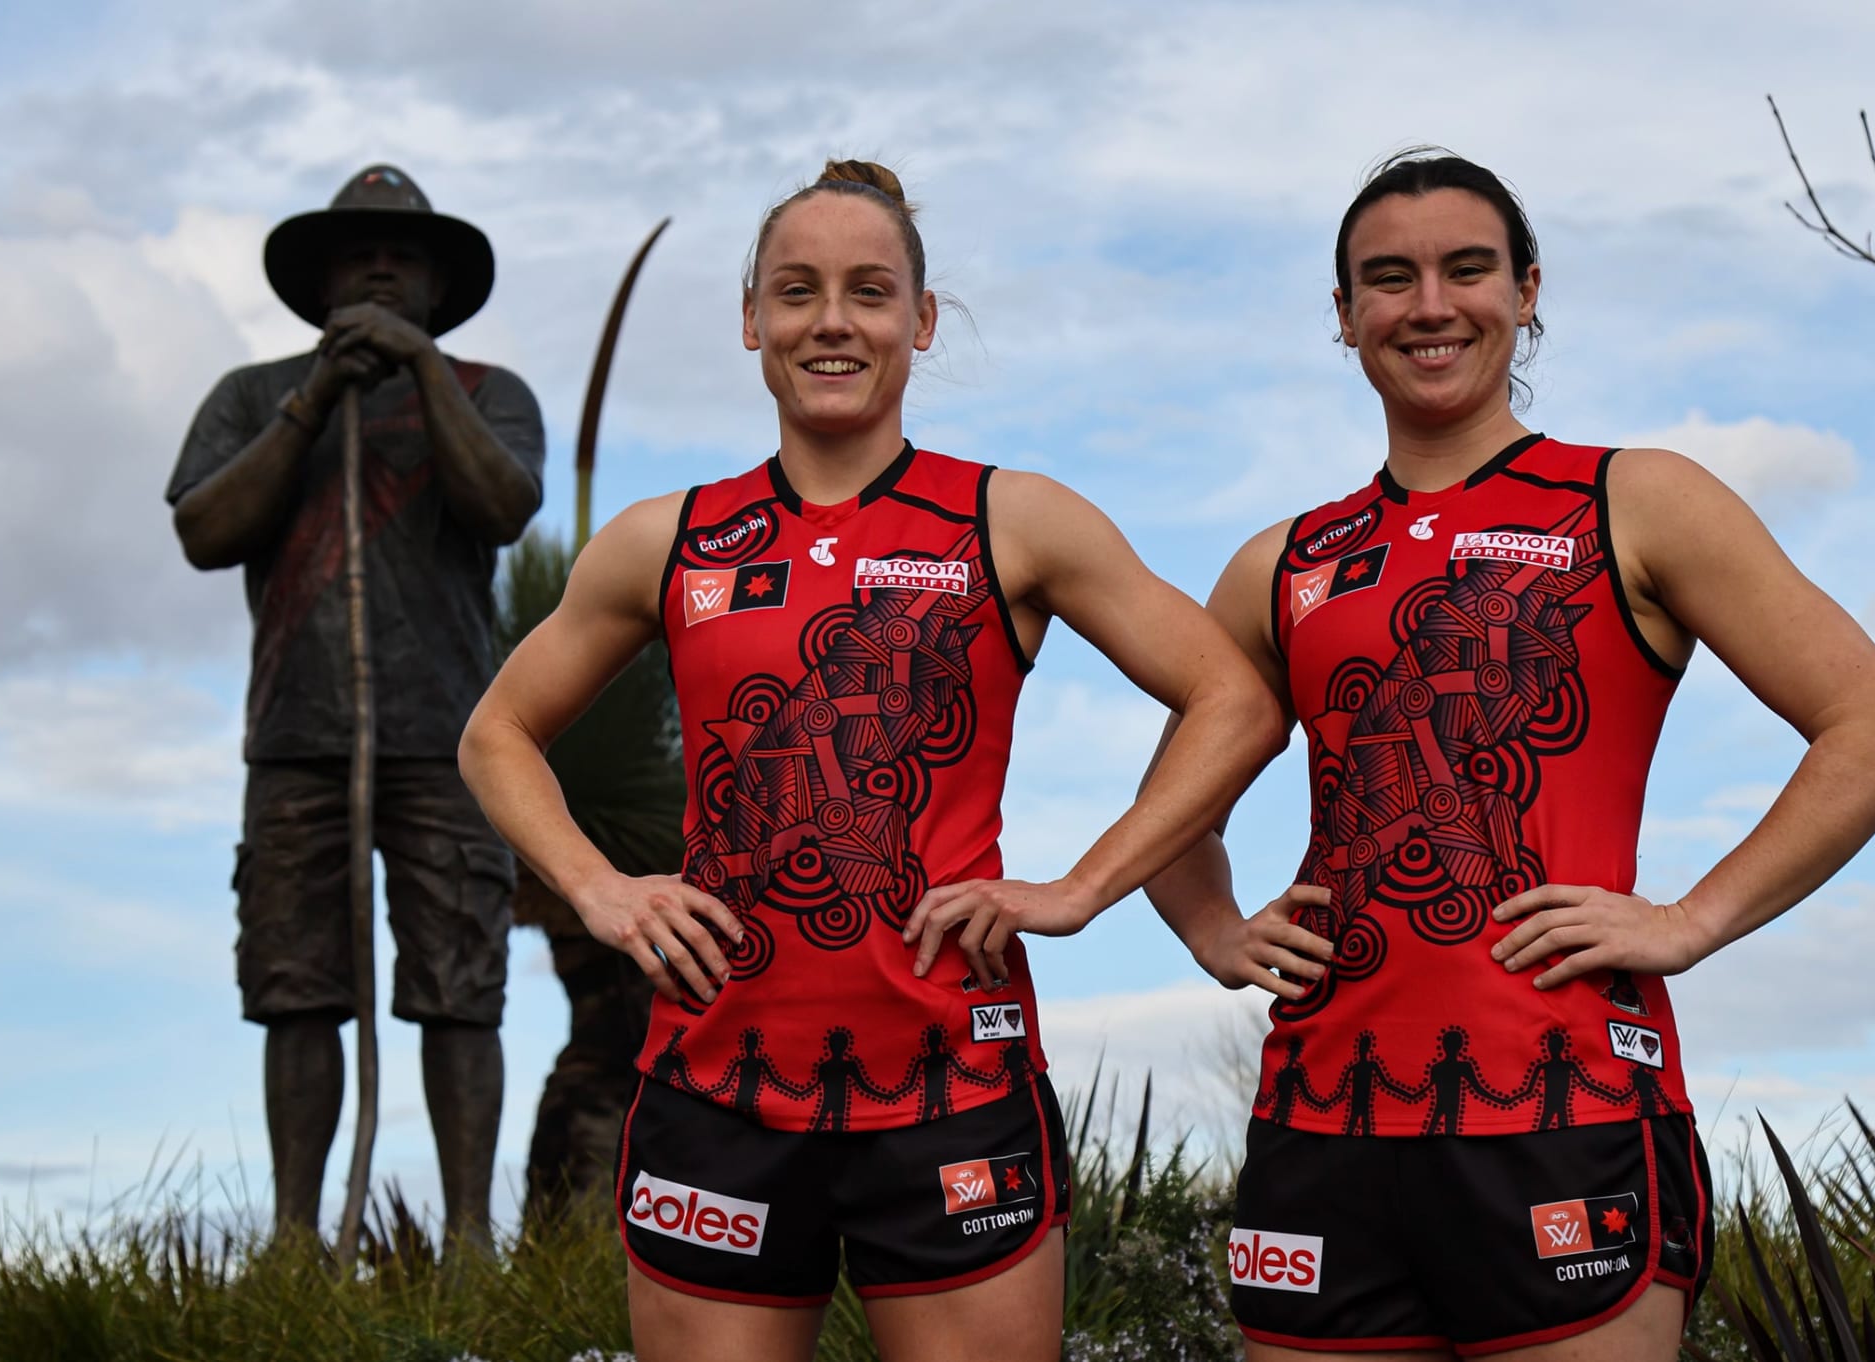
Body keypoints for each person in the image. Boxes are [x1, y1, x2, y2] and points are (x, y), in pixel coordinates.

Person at [457, 159, 1283, 1362]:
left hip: (952, 1085)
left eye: (868, 292)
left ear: (921, 320)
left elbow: (1233, 699)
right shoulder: (666, 540)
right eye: (796, 292)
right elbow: (495, 733)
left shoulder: (1012, 520)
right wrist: (598, 889)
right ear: (752, 320)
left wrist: (1077, 890)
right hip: (713, 1085)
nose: (831, 322)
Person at [1143, 150, 1875, 1360]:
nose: (1428, 306)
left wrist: (1689, 919)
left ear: (1524, 290)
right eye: (1388, 279)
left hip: (1565, 1109)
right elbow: (1168, 814)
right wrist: (1211, 929)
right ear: (1344, 314)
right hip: (1320, 1118)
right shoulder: (1281, 563)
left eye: (1465, 269)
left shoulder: (1638, 501)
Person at [168, 164, 545, 1249]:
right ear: (322, 281)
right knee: (296, 989)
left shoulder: (487, 392)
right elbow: (205, 530)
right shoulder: (253, 395)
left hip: (449, 738)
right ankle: (296, 1240)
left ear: (437, 284)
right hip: (298, 734)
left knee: (460, 984)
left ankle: (467, 1240)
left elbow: (502, 505)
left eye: (404, 256)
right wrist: (315, 397)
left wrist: (420, 370)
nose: (381, 269)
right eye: (359, 255)